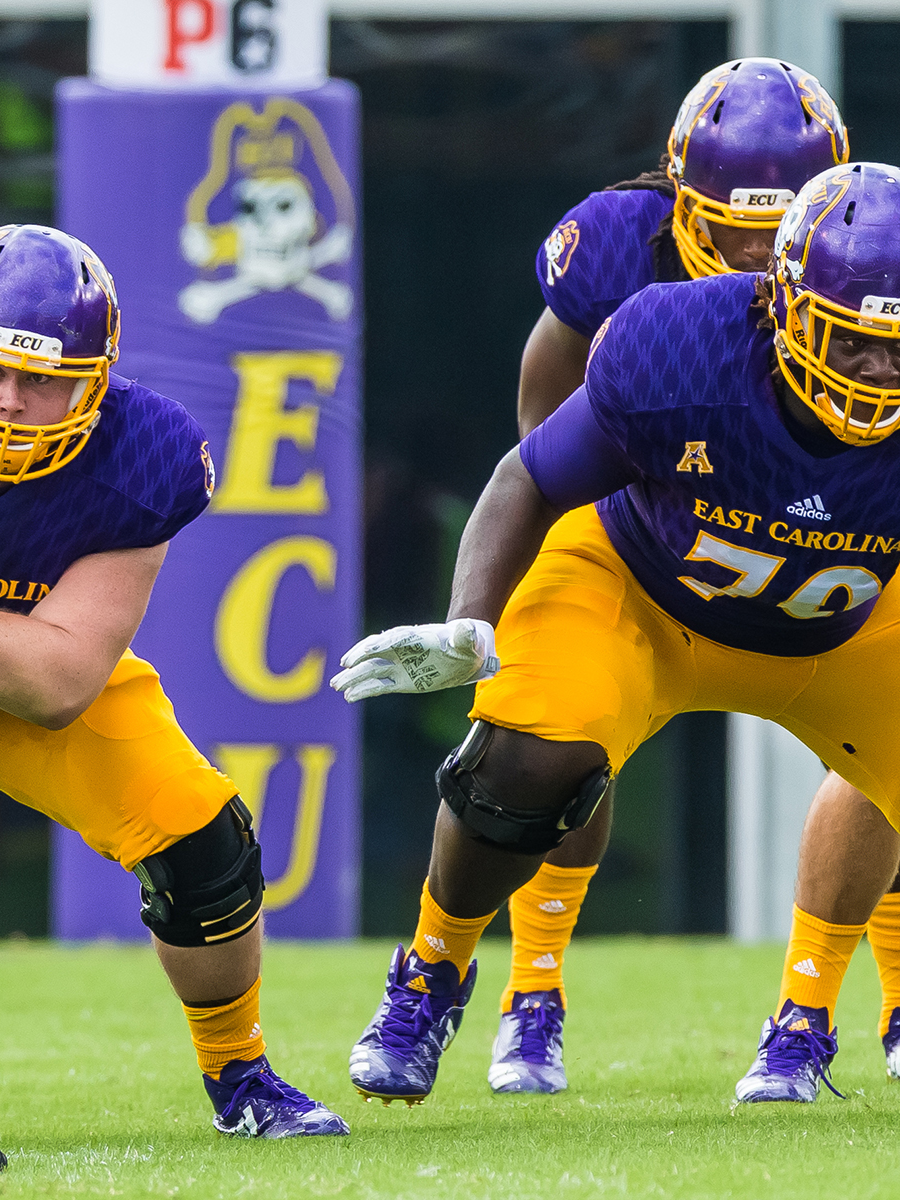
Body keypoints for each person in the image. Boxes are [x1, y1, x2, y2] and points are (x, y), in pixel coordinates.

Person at [333, 162, 900, 1111]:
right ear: (787, 310)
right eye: (856, 341)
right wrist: (472, 623)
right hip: (640, 593)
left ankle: (807, 1020)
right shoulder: (682, 346)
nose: (879, 371)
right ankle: (431, 975)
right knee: (522, 761)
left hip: (847, 628)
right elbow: (531, 478)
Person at [0, 224, 348, 1139]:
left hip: (4, 689)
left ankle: (240, 1073)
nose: (8, 404)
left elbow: (59, 684)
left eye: (44, 382)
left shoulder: (145, 454)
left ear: (96, 385)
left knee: (206, 843)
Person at [493, 57, 851, 1097]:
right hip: (640, 513)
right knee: (560, 743)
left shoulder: (873, 249)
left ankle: (836, 1010)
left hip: (828, 522)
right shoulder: (615, 244)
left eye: (781, 226)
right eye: (735, 230)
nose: (762, 255)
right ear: (676, 197)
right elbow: (544, 420)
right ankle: (531, 994)